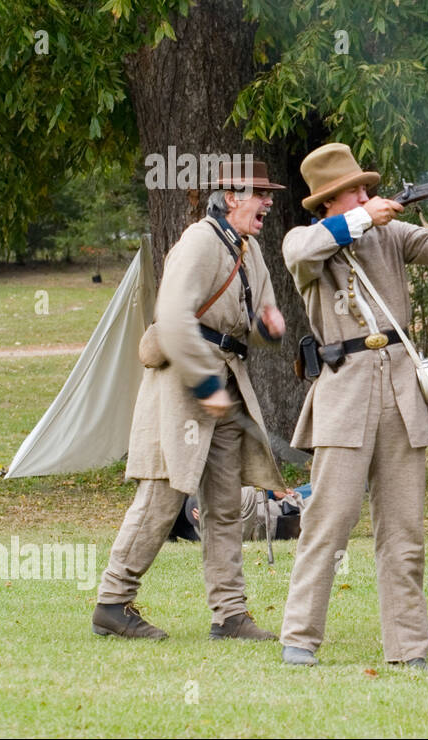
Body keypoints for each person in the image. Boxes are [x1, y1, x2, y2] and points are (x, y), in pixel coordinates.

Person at [278, 143, 428, 669]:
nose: (367, 194)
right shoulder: (306, 239)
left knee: (404, 531)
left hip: (399, 391)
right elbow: (304, 255)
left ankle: (408, 646)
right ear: (331, 200)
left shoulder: (391, 235)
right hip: (344, 391)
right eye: (355, 190)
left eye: (366, 189)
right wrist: (360, 219)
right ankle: (300, 636)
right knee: (329, 519)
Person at [93, 160, 288, 641]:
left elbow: (258, 317)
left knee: (224, 504)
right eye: (258, 194)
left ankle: (230, 614)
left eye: (268, 194)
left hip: (226, 383)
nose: (267, 202)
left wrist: (268, 327)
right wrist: (205, 385)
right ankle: (113, 603)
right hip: (187, 385)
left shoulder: (250, 249)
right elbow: (174, 318)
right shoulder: (200, 241)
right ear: (231, 196)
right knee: (162, 493)